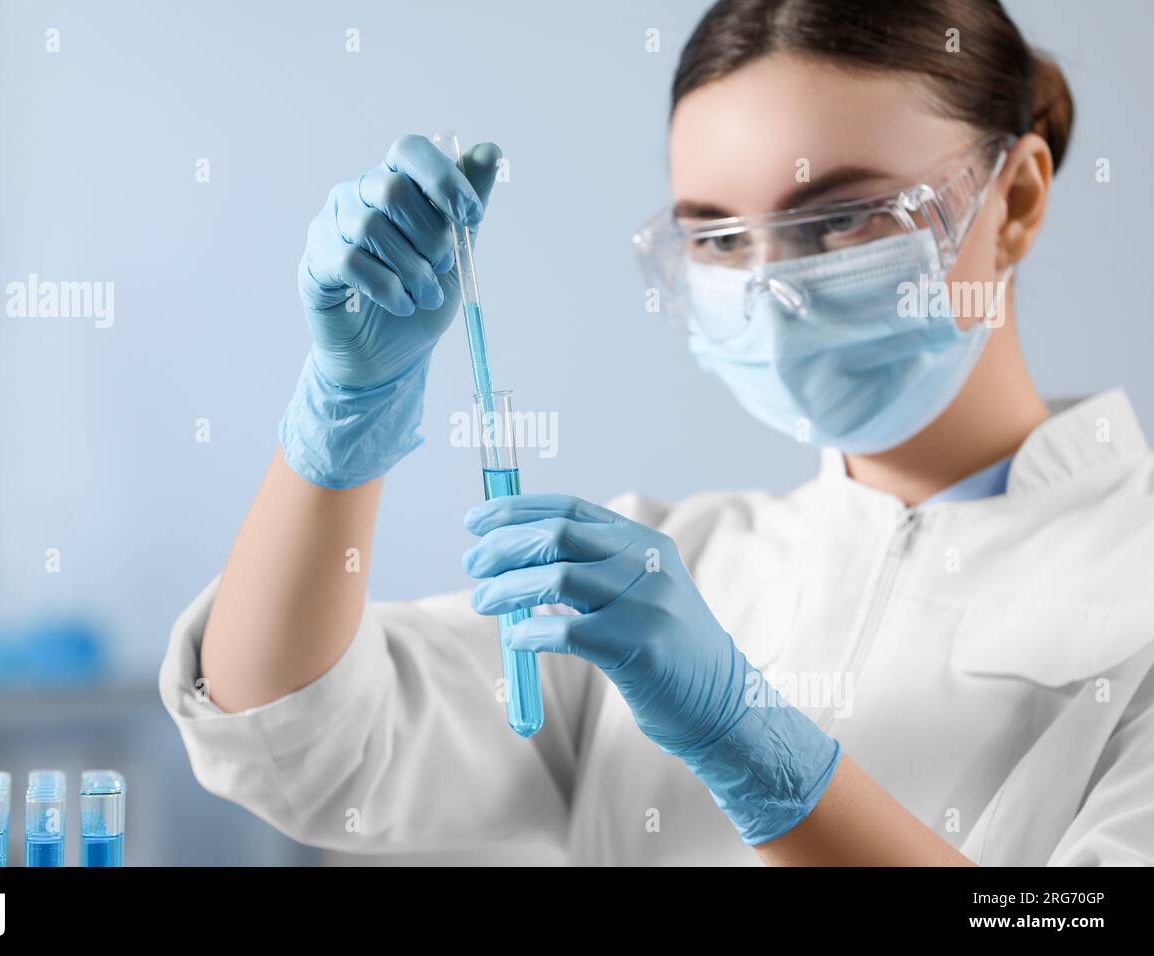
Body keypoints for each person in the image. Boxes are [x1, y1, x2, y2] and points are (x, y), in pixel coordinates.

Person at [160, 0, 1154, 865]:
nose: (766, 289)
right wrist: (345, 413)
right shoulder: (666, 576)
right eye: (718, 236)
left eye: (839, 217)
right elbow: (289, 737)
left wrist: (743, 737)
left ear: (1015, 197)